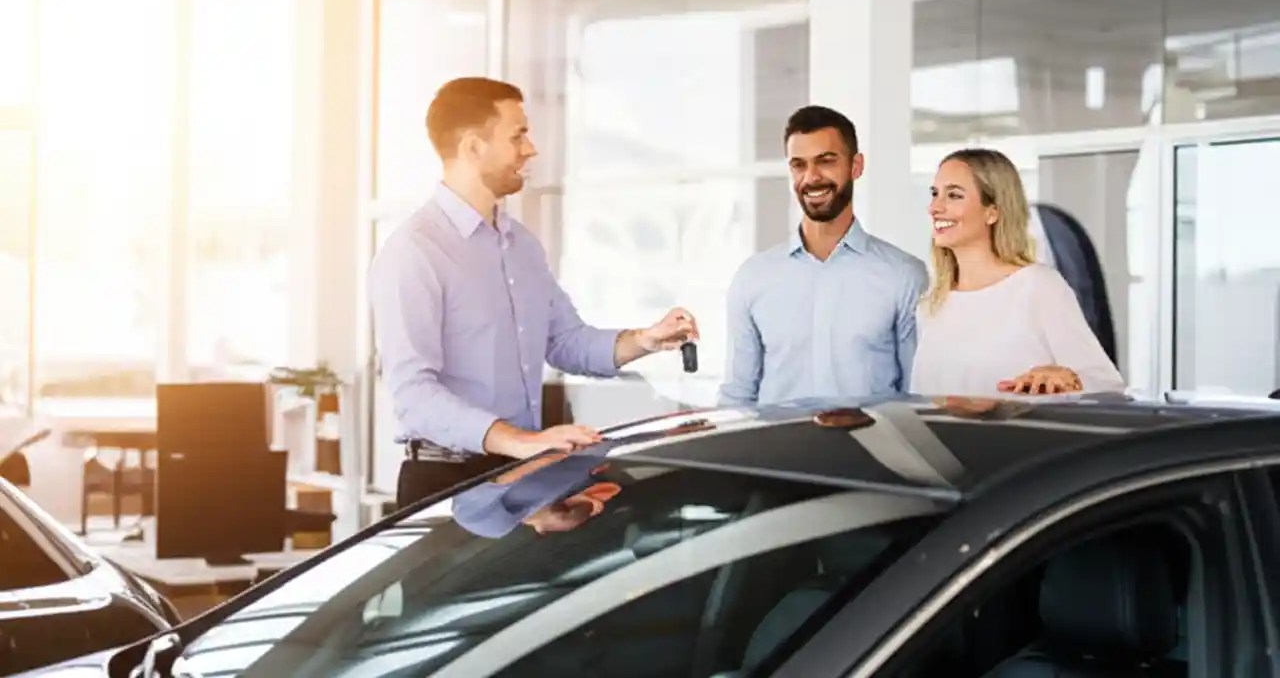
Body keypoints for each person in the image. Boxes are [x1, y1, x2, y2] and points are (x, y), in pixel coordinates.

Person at [369, 77, 699, 508]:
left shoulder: (519, 244)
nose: (531, 149)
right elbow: (414, 397)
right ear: (473, 148)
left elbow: (564, 341)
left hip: (521, 469)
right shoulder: (413, 251)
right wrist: (522, 441)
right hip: (446, 482)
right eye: (518, 135)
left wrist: (645, 339)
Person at [718, 105, 929, 406]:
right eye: (798, 165)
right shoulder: (753, 277)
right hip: (777, 451)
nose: (811, 177)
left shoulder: (904, 274)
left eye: (826, 161)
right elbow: (736, 396)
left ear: (856, 166)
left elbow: (916, 394)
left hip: (868, 452)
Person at [910, 148, 1126, 396]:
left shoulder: (1038, 287)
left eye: (954, 195)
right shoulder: (933, 302)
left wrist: (1068, 378)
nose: (935, 207)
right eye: (935, 194)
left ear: (993, 211)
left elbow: (1107, 385)